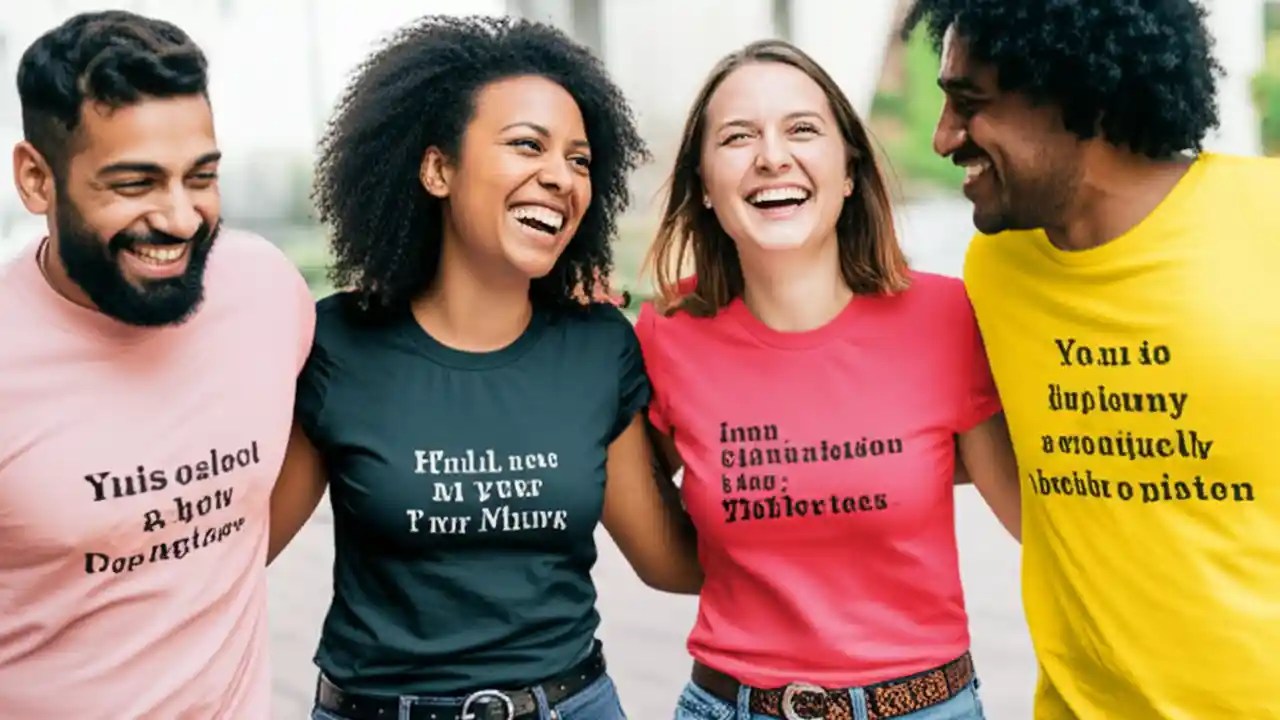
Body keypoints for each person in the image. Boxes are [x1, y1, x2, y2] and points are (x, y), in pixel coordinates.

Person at [266, 15, 701, 720]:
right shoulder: (338, 345)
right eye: (527, 145)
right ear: (438, 168)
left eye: (581, 160)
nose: (560, 177)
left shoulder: (596, 348)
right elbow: (229, 555)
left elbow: (669, 561)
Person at [903, 1, 1280, 717]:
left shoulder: (1269, 219)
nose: (943, 135)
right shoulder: (998, 266)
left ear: (1081, 94)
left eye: (969, 103)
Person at [635, 39, 1021, 720]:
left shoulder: (945, 315)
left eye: (802, 129)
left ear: (849, 170)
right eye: (737, 137)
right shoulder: (667, 332)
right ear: (702, 181)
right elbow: (664, 548)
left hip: (925, 706)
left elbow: (1037, 521)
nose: (772, 156)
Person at [0, 10, 315, 719]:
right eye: (135, 183)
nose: (179, 218)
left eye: (200, 176)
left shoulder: (264, 291)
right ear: (36, 179)